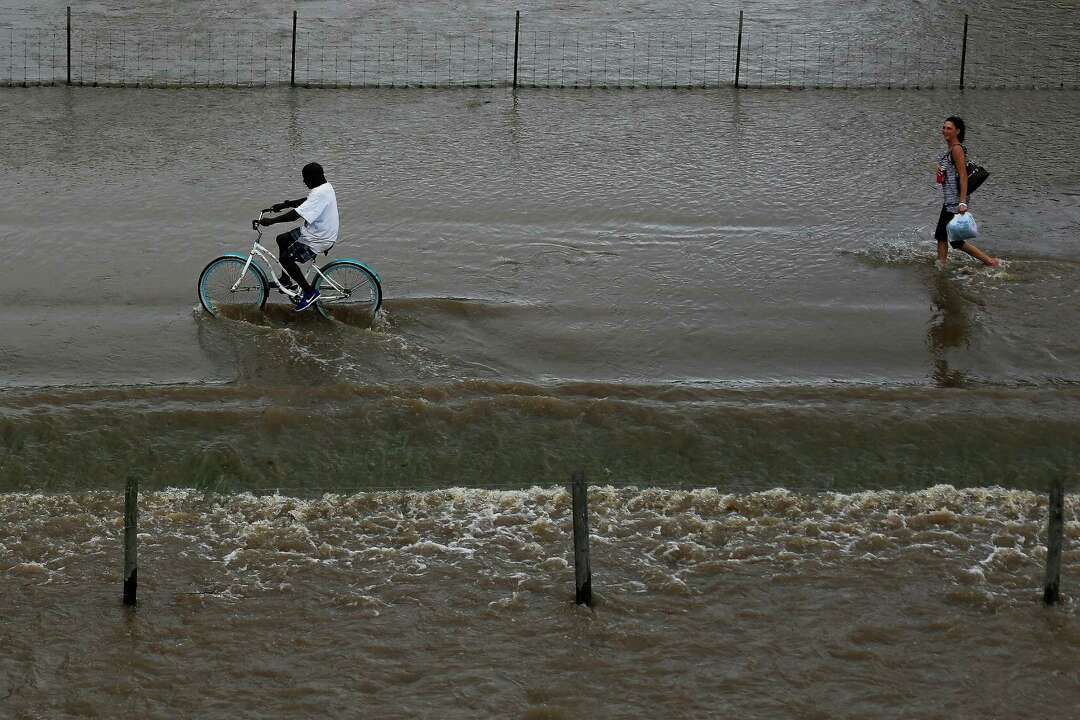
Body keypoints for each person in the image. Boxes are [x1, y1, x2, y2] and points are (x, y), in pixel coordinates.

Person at [259, 162, 339, 311]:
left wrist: (271, 221)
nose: (304, 181)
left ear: (313, 177)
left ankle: (309, 292)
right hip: (318, 231)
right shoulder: (325, 187)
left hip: (319, 237)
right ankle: (286, 280)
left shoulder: (320, 193)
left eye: (305, 178)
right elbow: (307, 200)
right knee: (282, 239)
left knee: (285, 259)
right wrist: (285, 204)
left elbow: (295, 216)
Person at [934, 116, 998, 269]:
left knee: (948, 238)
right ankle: (942, 265)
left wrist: (962, 202)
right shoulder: (952, 150)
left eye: (949, 128)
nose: (945, 131)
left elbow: (963, 176)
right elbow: (952, 174)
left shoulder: (956, 149)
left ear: (957, 131)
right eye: (944, 127)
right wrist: (940, 171)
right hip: (951, 199)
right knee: (946, 237)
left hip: (955, 200)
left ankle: (989, 262)